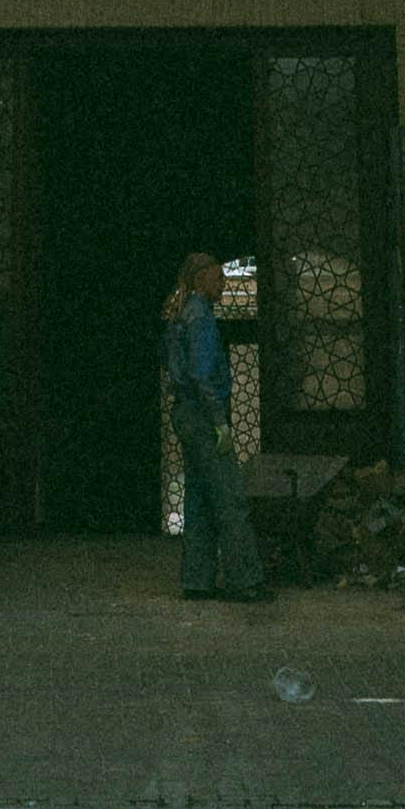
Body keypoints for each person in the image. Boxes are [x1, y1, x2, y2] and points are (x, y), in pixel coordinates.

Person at [162, 253, 269, 604]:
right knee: (228, 498)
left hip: (185, 414)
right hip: (204, 416)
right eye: (218, 279)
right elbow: (203, 373)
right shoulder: (201, 318)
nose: (223, 285)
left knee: (199, 498)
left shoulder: (179, 314)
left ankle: (197, 580)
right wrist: (220, 421)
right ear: (200, 281)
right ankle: (245, 580)